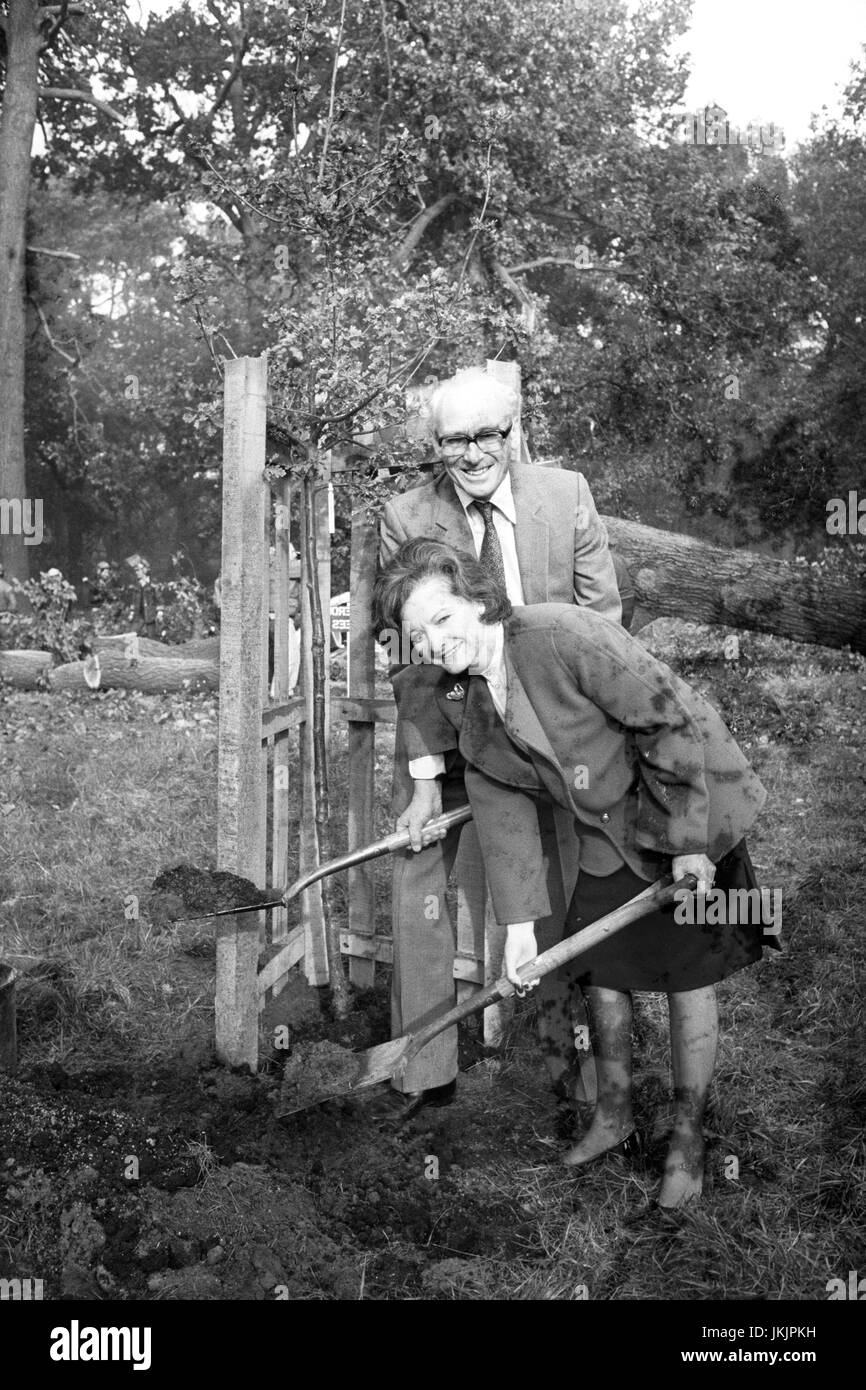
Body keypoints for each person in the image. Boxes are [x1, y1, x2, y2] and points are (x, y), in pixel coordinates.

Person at [373, 538, 779, 1207]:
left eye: (444, 620)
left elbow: (668, 722)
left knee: (689, 974)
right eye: (419, 634)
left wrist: (686, 843)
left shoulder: (561, 635)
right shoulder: (464, 698)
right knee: (605, 971)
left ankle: (687, 1139)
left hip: (688, 799)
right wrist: (524, 927)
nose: (435, 643)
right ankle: (614, 1115)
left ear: (479, 600)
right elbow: (500, 806)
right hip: (605, 826)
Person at [379, 367, 629, 1115]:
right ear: (437, 447)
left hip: (547, 730)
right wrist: (426, 779)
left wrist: (578, 737)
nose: (475, 452)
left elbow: (604, 625)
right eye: (455, 440)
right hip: (451, 725)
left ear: (513, 432)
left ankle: (555, 1060)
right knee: (419, 879)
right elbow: (409, 656)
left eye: (488, 434)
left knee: (549, 885)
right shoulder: (408, 515)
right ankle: (425, 1072)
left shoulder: (565, 495)